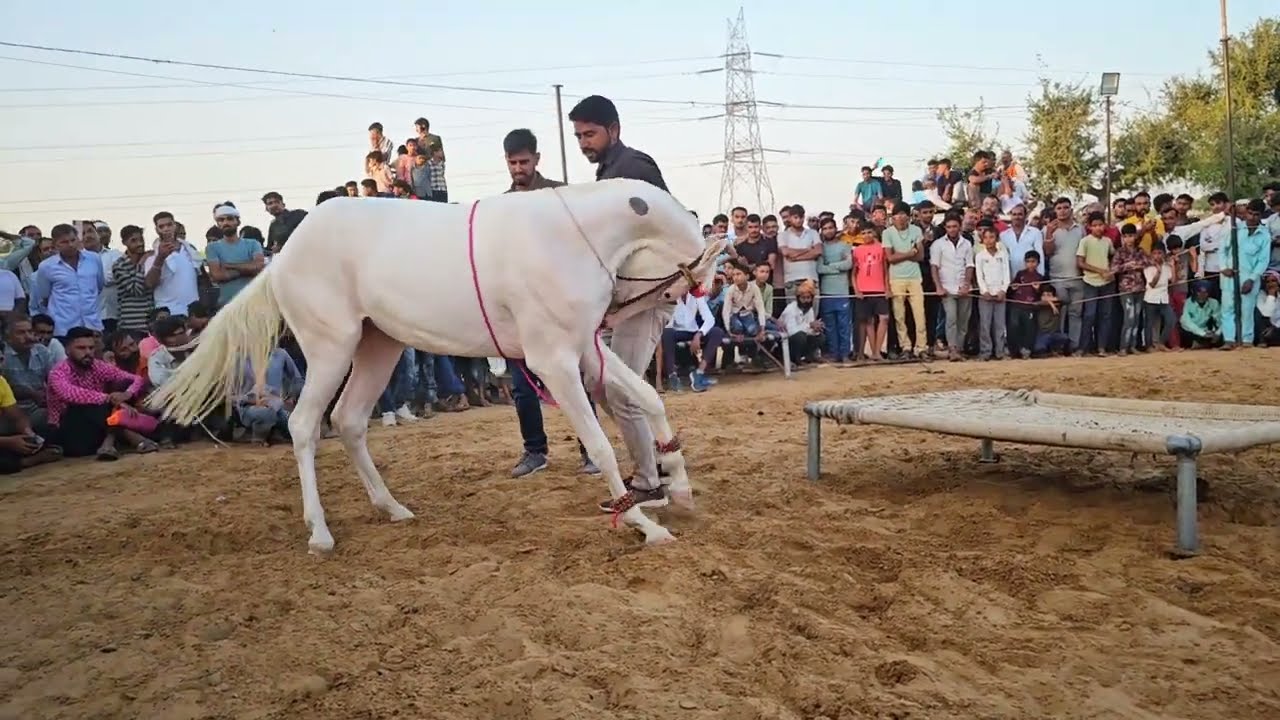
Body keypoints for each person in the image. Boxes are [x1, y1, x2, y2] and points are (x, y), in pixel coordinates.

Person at [566, 95, 677, 512]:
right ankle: (655, 460)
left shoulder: (634, 168)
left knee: (622, 390)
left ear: (613, 129)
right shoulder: (610, 173)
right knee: (600, 385)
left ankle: (650, 482)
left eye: (590, 134)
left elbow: (666, 231)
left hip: (649, 297)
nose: (584, 142)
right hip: (626, 299)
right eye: (579, 136)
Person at [499, 129, 598, 478]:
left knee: (577, 382)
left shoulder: (560, 197)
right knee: (522, 388)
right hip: (519, 312)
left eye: (524, 162)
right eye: (513, 163)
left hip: (560, 309)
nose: (518, 168)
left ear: (536, 159)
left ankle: (592, 451)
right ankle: (535, 451)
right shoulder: (500, 206)